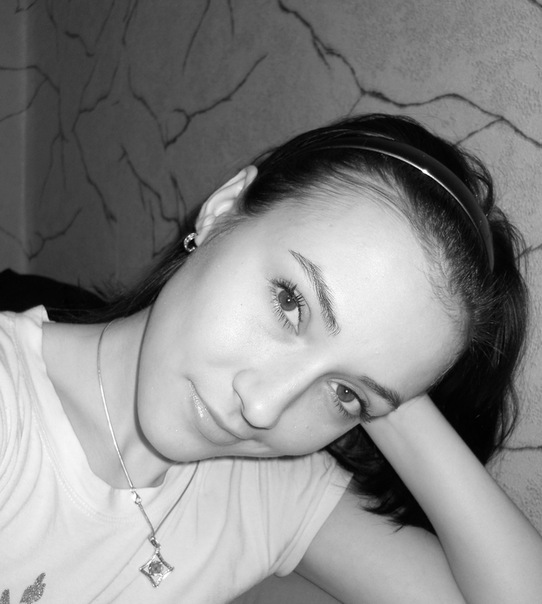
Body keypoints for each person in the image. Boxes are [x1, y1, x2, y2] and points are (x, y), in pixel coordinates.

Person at [1, 113, 541, 604]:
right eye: (289, 303)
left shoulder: (268, 491)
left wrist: (389, 375)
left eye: (344, 394)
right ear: (222, 210)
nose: (263, 408)